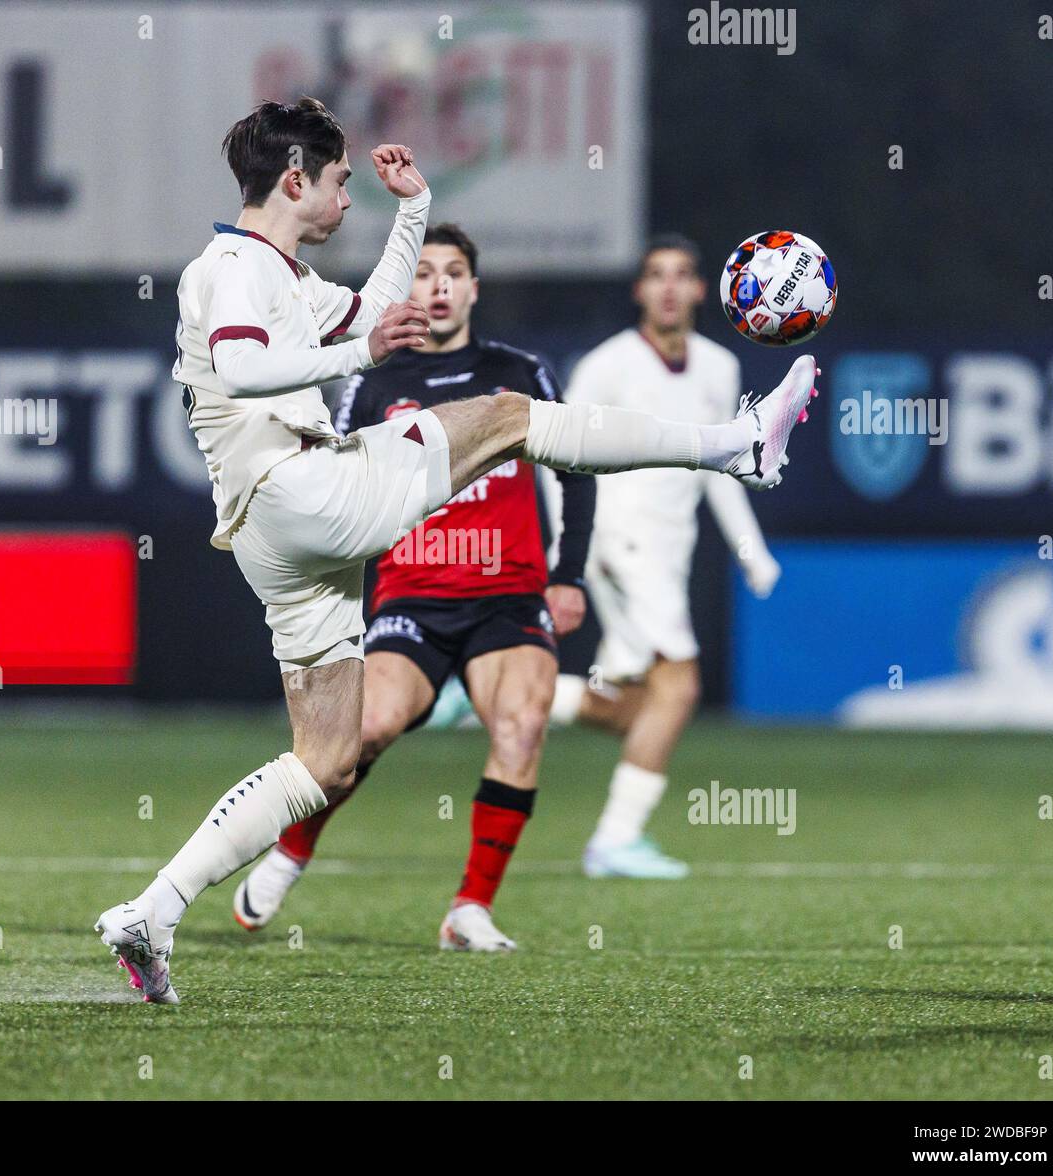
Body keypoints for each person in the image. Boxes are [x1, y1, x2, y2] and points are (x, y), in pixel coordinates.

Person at [94, 97, 819, 1003]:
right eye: (341, 182)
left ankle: (153, 912)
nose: (347, 198)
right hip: (306, 490)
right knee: (511, 419)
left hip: (271, 539)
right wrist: (355, 356)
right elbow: (245, 368)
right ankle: (737, 446)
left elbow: (380, 313)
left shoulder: (281, 272)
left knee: (325, 760)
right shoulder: (234, 266)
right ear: (294, 180)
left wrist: (413, 210)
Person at [231, 222, 595, 952]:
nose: (437, 285)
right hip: (413, 599)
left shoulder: (520, 371)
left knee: (524, 725)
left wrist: (569, 574)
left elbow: (577, 468)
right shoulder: (372, 384)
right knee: (363, 730)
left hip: (509, 598)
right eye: (424, 272)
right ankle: (293, 851)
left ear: (473, 289)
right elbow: (330, 482)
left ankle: (470, 910)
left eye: (453, 272)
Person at [548, 235, 783, 880]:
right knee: (680, 687)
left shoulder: (720, 367)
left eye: (682, 275)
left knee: (627, 703)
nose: (670, 287)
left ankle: (494, 690)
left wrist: (750, 548)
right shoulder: (607, 365)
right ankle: (615, 840)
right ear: (640, 291)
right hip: (621, 539)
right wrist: (566, 549)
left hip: (668, 550)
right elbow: (557, 453)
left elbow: (718, 464)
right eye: (657, 276)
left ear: (704, 290)